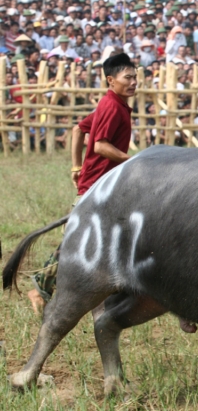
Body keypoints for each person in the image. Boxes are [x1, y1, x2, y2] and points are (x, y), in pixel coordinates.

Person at [28, 53, 138, 313]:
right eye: (128, 78)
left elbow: (78, 130)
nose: (134, 82)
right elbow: (100, 145)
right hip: (97, 187)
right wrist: (133, 161)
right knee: (73, 243)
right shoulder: (112, 106)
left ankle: (110, 292)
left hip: (103, 184)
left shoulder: (113, 103)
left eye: (135, 77)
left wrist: (76, 165)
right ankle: (40, 288)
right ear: (111, 80)